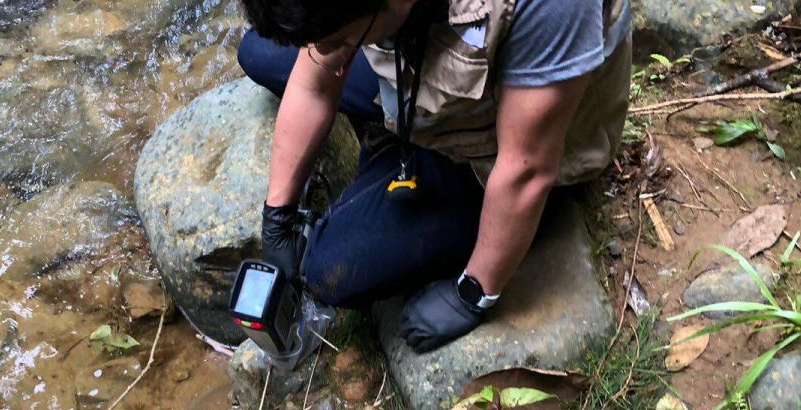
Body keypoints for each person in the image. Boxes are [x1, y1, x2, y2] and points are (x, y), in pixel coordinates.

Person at [237, 0, 632, 353]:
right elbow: (313, 81)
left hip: (502, 147)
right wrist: (278, 217)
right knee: (259, 51)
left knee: (326, 269)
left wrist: (473, 293)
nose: (323, 52)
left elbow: (525, 172)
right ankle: (389, 141)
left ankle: (393, 157)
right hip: (418, 63)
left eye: (335, 39)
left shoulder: (552, 7)